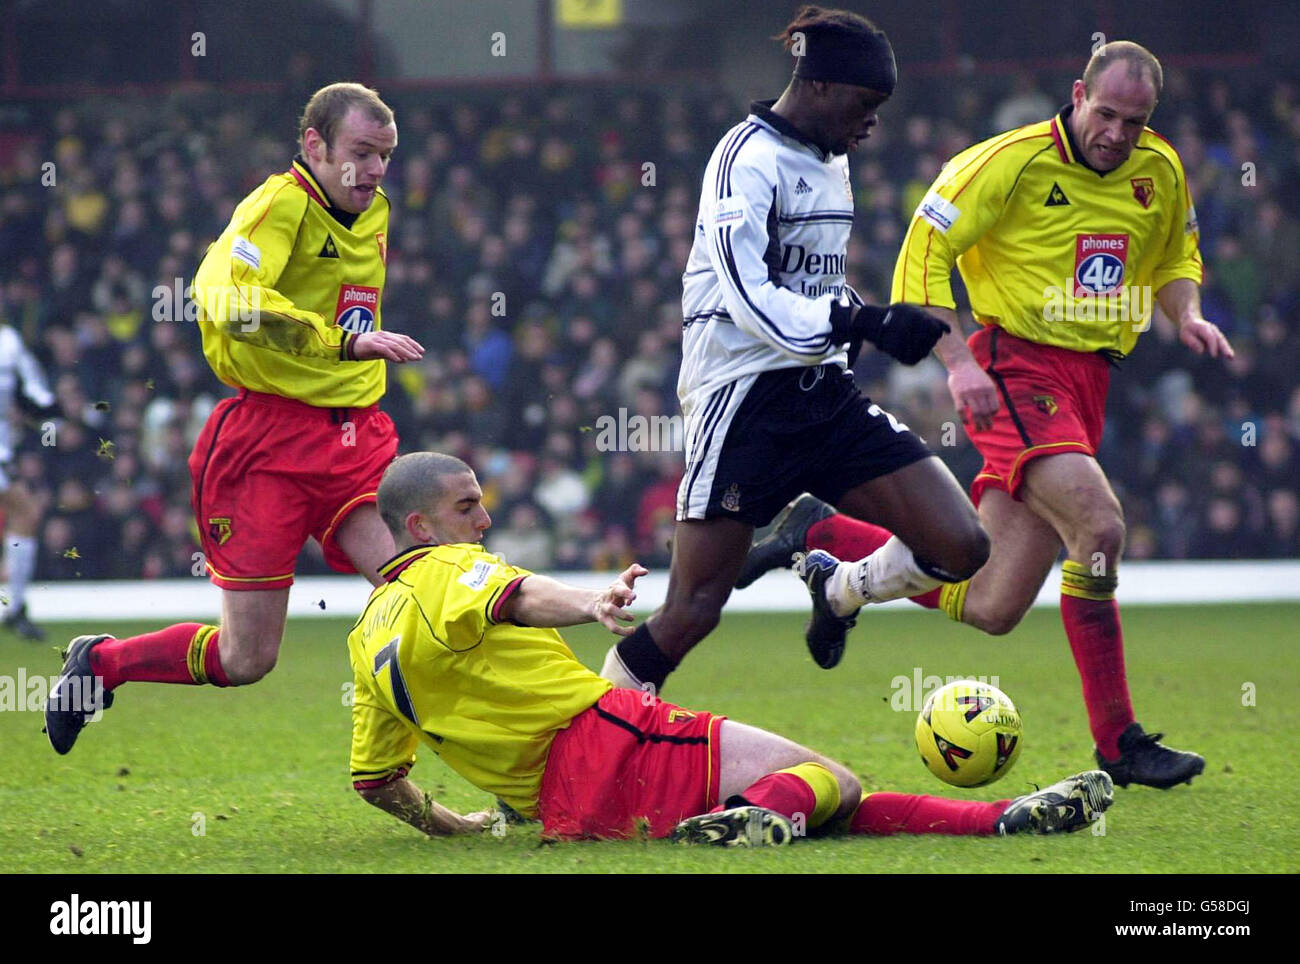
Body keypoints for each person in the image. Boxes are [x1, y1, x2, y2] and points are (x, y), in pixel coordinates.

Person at [736, 42, 1231, 790]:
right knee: (1098, 527)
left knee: (994, 602)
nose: (1119, 134)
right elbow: (923, 253)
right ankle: (1119, 741)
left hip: (1089, 381)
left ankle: (823, 546)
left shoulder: (1158, 169)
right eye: (1107, 114)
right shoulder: (1006, 162)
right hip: (1016, 369)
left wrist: (1187, 313)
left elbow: (1173, 259)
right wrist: (958, 360)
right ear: (1077, 94)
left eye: (1135, 121)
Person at [348, 451, 1113, 845]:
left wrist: (462, 827)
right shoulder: (448, 568)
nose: (483, 520)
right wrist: (589, 599)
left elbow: (377, 782)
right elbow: (512, 596)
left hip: (557, 805)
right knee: (830, 781)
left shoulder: (364, 639)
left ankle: (1000, 820)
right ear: (420, 527)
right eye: (466, 506)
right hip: (601, 744)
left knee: (819, 809)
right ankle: (744, 823)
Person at [599, 5, 990, 693]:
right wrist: (864, 324)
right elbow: (750, 298)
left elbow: (818, 283)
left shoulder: (832, 159)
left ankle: (837, 587)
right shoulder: (743, 158)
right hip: (744, 400)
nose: (871, 122)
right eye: (864, 104)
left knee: (961, 545)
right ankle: (589, 743)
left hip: (823, 396)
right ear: (818, 87)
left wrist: (869, 324)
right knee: (692, 610)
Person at [44, 82, 424, 754]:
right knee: (247, 658)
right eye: (361, 153)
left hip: (352, 436)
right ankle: (101, 664)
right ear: (315, 144)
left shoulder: (376, 208)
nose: (375, 171)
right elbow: (223, 301)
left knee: (425, 589)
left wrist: (351, 355)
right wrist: (340, 341)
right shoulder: (277, 205)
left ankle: (510, 760)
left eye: (386, 156)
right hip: (267, 445)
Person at [0, 320, 61, 640]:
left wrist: (41, 410)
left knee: (25, 515)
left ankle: (16, 606)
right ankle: (15, 606)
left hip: (4, 452)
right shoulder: (8, 341)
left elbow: (33, 388)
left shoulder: (9, 341)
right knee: (25, 514)